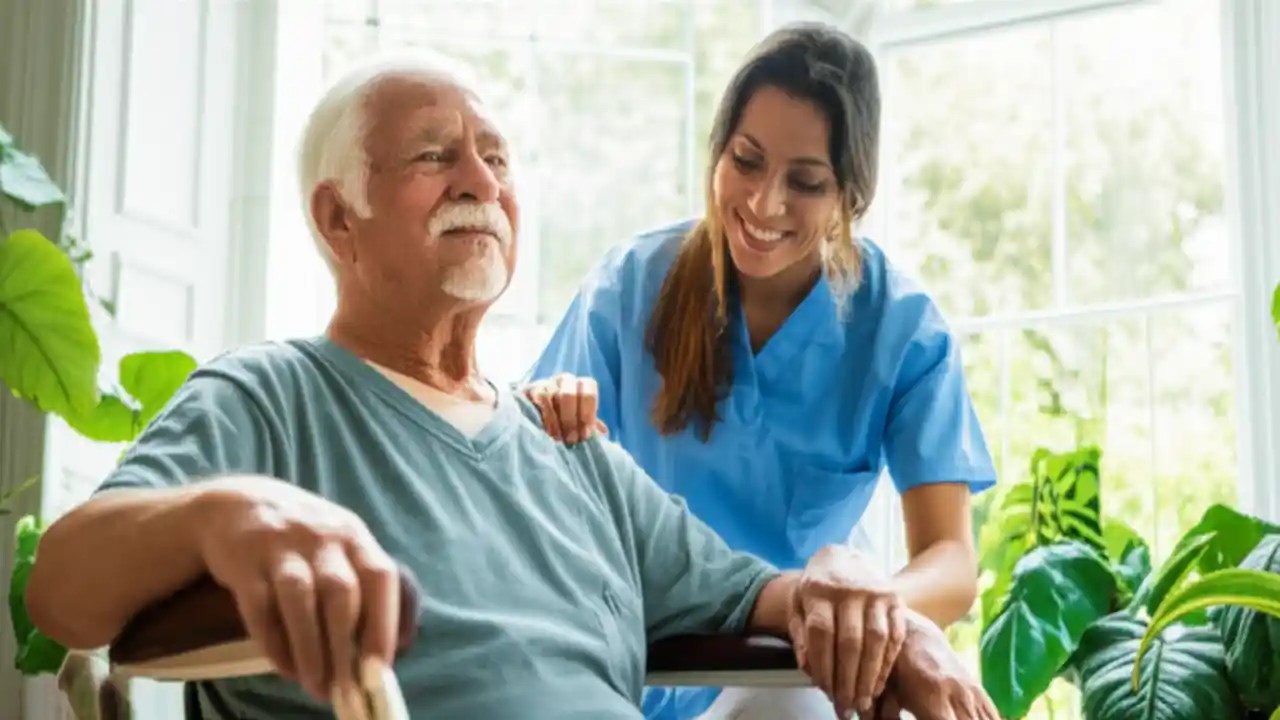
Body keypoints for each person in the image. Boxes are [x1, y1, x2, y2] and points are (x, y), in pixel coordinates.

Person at [24, 52, 997, 720]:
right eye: (433, 157)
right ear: (337, 220)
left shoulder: (572, 456)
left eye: (495, 158)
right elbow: (62, 592)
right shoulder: (271, 397)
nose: (481, 182)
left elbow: (759, 596)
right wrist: (218, 518)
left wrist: (883, 613)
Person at [526, 22, 997, 720]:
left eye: (805, 182)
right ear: (717, 151)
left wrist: (869, 614)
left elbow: (951, 562)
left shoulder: (899, 329)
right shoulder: (627, 291)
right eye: (746, 161)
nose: (764, 203)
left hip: (787, 674)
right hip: (633, 671)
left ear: (849, 196)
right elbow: (535, 484)